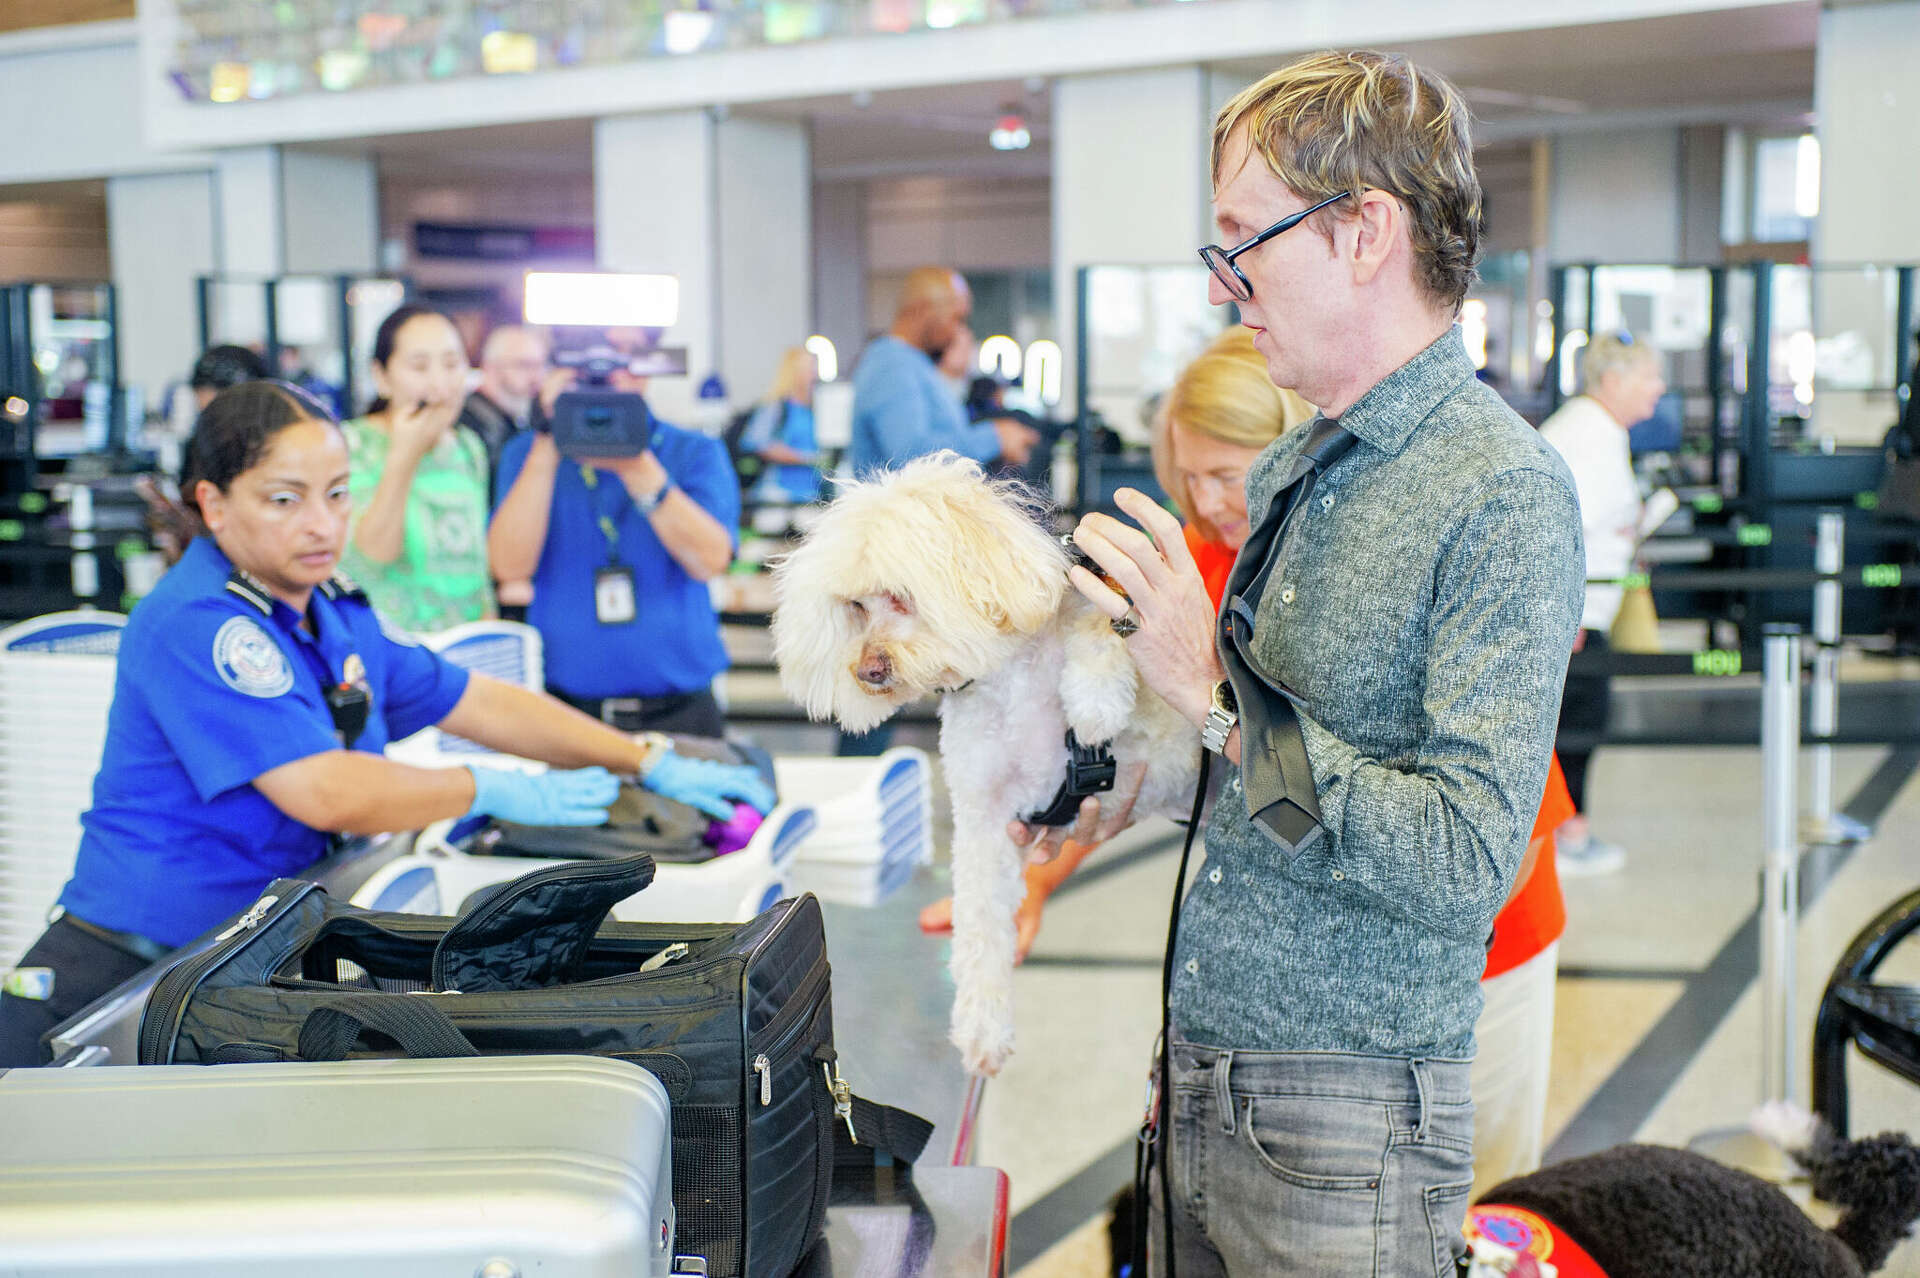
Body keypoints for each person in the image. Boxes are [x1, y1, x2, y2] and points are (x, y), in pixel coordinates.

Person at [1055, 51, 1585, 1275]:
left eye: (1245, 241)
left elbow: (1464, 862)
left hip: (1346, 1118)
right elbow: (1281, 787)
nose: (1222, 287)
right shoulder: (1306, 463)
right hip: (1209, 1067)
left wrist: (1212, 697)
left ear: (1362, 231)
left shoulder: (1500, 492)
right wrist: (1145, 789)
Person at [0, 381, 774, 1067]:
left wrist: (644, 757)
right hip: (125, 978)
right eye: (284, 498)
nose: (321, 524)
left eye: (337, 493)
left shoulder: (328, 610)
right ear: (213, 504)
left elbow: (479, 701)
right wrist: (483, 788)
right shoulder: (198, 624)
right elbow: (324, 790)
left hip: (238, 958)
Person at [487, 338, 738, 739]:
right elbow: (509, 568)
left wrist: (637, 465)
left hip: (679, 708)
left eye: (623, 361)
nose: (607, 378)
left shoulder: (694, 451)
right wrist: (551, 438)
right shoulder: (527, 455)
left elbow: (710, 560)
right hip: (565, 710)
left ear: (646, 369)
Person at [1538, 332, 1666, 877]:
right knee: (1573, 727)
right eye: (1648, 376)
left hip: (1584, 611)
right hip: (1576, 616)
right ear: (1612, 381)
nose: (1658, 388)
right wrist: (1566, 614)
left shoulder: (1599, 430)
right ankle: (1566, 835)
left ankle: (1568, 831)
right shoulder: (1587, 434)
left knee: (1579, 723)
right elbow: (1555, 530)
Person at [339, 304, 494, 635]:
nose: (440, 383)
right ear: (381, 377)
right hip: (389, 654)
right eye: (420, 366)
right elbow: (374, 554)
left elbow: (476, 567)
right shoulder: (349, 446)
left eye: (452, 364)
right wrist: (404, 455)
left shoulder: (468, 447)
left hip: (464, 653)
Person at [847, 267, 1040, 477]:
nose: (956, 332)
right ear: (924, 311)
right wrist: (995, 437)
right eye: (956, 319)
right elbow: (910, 457)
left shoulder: (915, 364)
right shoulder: (891, 365)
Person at [736, 347, 825, 505]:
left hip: (811, 494)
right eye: (809, 369)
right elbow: (759, 444)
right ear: (795, 373)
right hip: (778, 496)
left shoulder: (816, 410)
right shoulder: (776, 408)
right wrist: (806, 458)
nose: (814, 374)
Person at [462, 324, 551, 474]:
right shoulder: (467, 420)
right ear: (491, 367)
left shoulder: (523, 420)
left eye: (541, 365)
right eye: (524, 365)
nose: (536, 377)